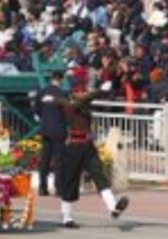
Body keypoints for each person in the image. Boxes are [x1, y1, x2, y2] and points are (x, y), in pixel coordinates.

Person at [55, 69, 129, 228]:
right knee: (70, 181)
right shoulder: (69, 106)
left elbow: (89, 99)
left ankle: (113, 208)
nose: (83, 93)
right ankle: (66, 217)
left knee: (99, 174)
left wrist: (107, 89)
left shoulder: (82, 105)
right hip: (74, 147)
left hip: (88, 146)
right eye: (79, 91)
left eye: (83, 90)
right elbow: (83, 100)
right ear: (73, 93)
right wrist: (99, 90)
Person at [36, 68, 68, 197]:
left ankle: (42, 188)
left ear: (51, 79)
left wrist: (45, 118)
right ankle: (59, 188)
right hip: (59, 129)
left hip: (45, 129)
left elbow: (37, 110)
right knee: (59, 160)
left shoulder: (42, 92)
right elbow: (67, 112)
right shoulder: (62, 94)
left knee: (45, 159)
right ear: (61, 80)